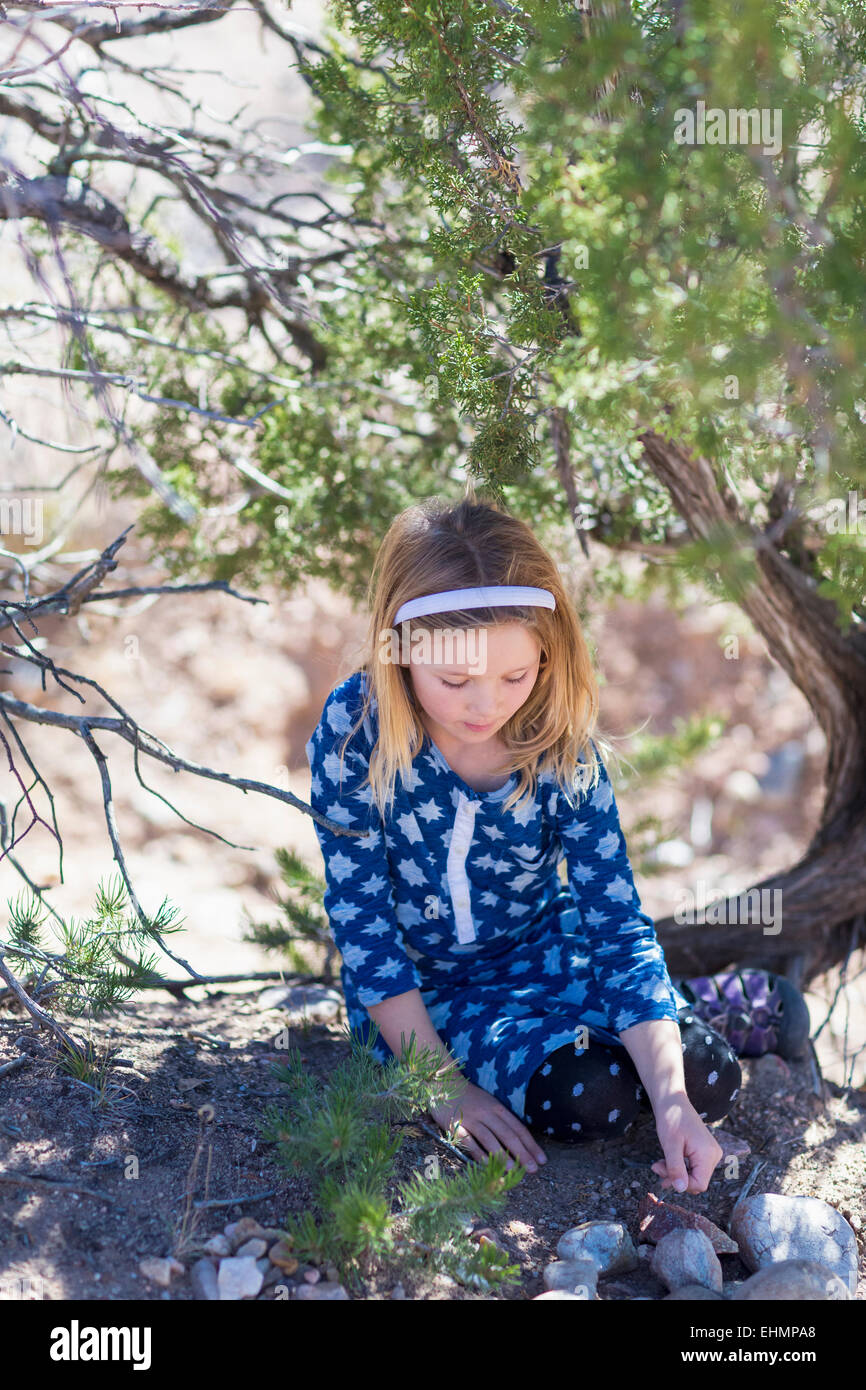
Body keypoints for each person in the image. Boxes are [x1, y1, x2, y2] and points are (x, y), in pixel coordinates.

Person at [304, 494, 809, 1196]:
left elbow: (615, 925)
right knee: (589, 1097)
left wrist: (673, 1105)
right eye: (455, 681)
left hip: (550, 954)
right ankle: (704, 1002)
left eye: (517, 675)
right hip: (426, 997)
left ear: (548, 651)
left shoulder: (558, 744)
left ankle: (689, 1010)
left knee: (706, 1081)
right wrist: (441, 1086)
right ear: (401, 652)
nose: (487, 705)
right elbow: (362, 924)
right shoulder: (355, 731)